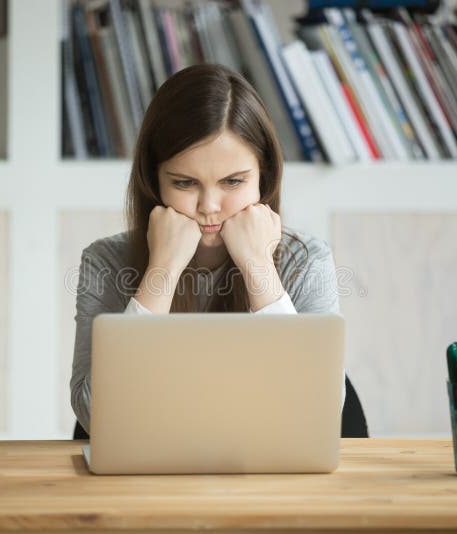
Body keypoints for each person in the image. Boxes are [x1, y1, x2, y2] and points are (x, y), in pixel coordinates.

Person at [70, 63, 349, 436]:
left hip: (266, 470)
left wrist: (259, 267)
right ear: (154, 181)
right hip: (148, 470)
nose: (210, 206)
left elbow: (318, 411)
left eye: (233, 182)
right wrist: (162, 270)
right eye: (185, 183)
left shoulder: (308, 260)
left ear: (263, 177)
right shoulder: (106, 261)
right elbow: (96, 415)